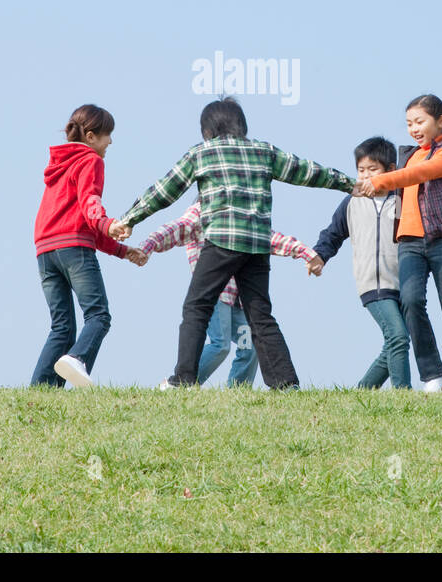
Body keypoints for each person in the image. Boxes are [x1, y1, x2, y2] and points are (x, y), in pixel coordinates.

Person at [110, 97, 355, 390]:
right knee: (260, 313)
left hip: (221, 242)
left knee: (197, 306)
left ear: (207, 132)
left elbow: (164, 191)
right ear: (242, 126)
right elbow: (308, 171)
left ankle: (183, 379)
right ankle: (285, 383)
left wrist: (130, 218)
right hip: (257, 246)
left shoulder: (202, 153)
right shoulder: (264, 151)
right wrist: (349, 184)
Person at [357, 94, 442, 393]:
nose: (413, 128)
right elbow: (404, 176)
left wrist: (381, 181)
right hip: (409, 243)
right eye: (408, 124)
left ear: (441, 121)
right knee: (411, 303)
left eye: (419, 121)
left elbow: (420, 174)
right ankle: (433, 376)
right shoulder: (410, 154)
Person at [31, 104, 147, 388]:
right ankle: (78, 359)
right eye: (108, 135)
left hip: (45, 251)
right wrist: (108, 224)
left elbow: (79, 219)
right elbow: (90, 204)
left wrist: (122, 250)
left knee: (61, 328)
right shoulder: (90, 160)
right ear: (92, 136)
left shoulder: (58, 165)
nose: (110, 142)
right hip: (73, 250)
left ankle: (40, 393)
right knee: (99, 316)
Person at [140, 202, 316, 387]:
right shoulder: (203, 210)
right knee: (220, 345)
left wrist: (305, 252)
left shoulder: (243, 214)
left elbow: (268, 237)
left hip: (239, 300)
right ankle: (183, 383)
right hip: (216, 295)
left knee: (251, 346)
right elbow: (177, 227)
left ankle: (238, 390)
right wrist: (149, 244)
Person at [308, 137, 410, 389]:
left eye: (372, 170)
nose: (365, 176)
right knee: (398, 337)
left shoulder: (402, 199)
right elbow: (333, 233)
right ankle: (405, 396)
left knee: (395, 343)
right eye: (361, 170)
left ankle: (361, 392)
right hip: (373, 284)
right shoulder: (351, 202)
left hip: (405, 282)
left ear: (391, 170)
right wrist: (319, 256)